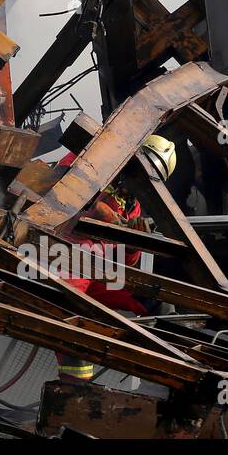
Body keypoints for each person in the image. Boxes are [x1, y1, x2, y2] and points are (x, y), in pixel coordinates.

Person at [54, 134, 176, 382]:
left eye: (151, 175)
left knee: (158, 301)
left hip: (95, 270)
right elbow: (60, 186)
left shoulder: (134, 206)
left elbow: (124, 263)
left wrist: (133, 245)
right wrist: (107, 216)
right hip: (59, 252)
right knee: (73, 315)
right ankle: (72, 397)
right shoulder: (93, 161)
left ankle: (175, 377)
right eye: (143, 167)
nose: (143, 177)